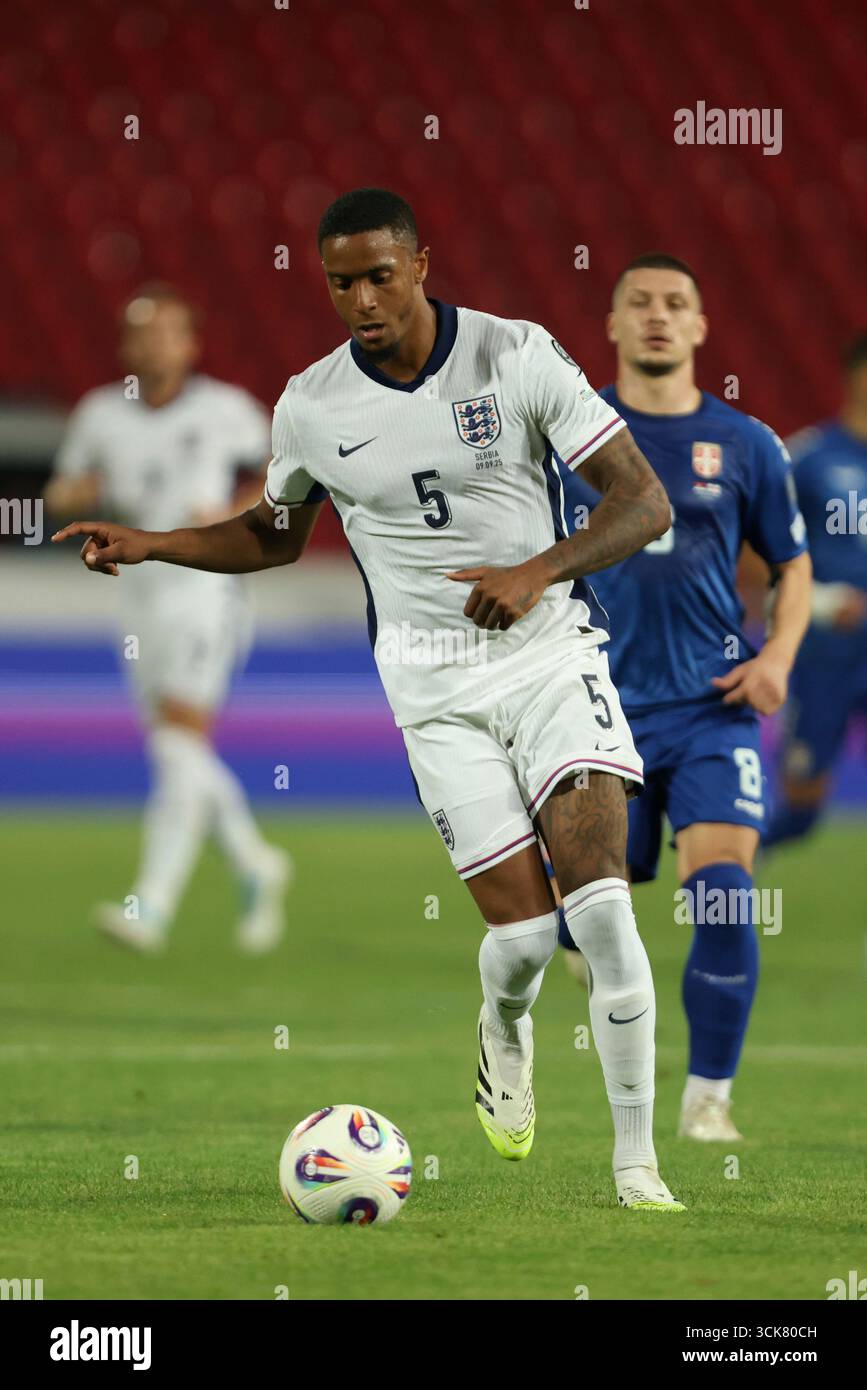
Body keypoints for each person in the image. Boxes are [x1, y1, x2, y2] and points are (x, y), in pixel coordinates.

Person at [54, 188, 684, 1211]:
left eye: (378, 274)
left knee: (604, 909)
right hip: (433, 695)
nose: (360, 298)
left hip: (551, 657)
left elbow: (641, 499)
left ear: (421, 263)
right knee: (524, 941)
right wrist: (154, 540)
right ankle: (504, 1026)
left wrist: (537, 569)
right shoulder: (311, 403)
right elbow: (273, 532)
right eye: (340, 281)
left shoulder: (516, 354)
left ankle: (636, 1167)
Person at [557, 254, 811, 1141]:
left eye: (676, 303)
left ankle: (708, 1098)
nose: (658, 316)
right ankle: (584, 944)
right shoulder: (571, 437)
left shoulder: (746, 443)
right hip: (594, 712)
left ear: (700, 327)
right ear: (612, 325)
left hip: (712, 707)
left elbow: (791, 565)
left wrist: (777, 651)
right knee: (583, 919)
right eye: (640, 303)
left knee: (725, 898)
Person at [46, 284, 291, 955]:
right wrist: (73, 492)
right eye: (140, 334)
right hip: (134, 592)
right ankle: (254, 861)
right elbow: (62, 485)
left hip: (203, 589)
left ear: (191, 343)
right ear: (125, 346)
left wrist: (229, 514)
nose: (152, 345)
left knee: (179, 741)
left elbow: (281, 472)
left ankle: (150, 907)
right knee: (176, 747)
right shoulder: (101, 412)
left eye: (166, 333)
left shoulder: (224, 409)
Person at [764, 332, 867, 847]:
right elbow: (757, 553)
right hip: (824, 653)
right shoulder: (810, 458)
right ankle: (728, 868)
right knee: (802, 808)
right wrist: (822, 602)